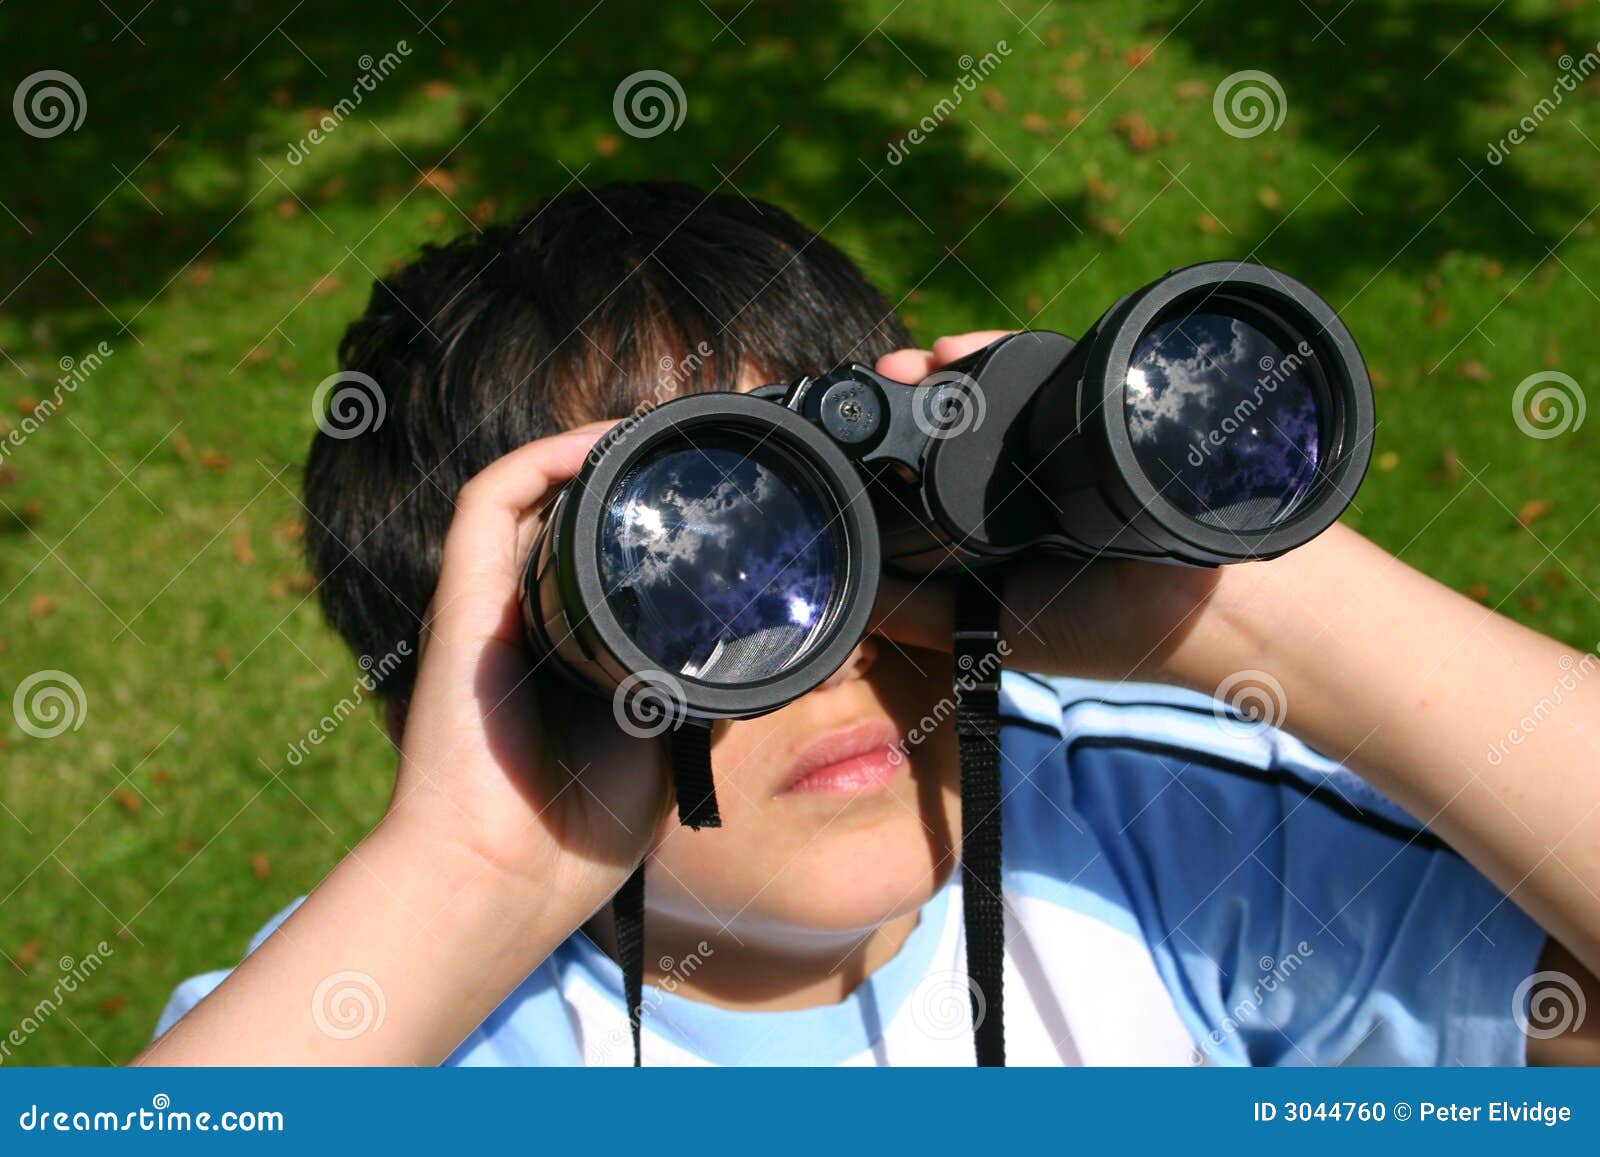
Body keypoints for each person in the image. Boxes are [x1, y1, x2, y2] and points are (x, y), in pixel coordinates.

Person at [138, 182, 1600, 1066]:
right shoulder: (407, 1007)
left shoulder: (1134, 828)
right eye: (700, 585)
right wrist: (471, 867)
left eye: (853, 524)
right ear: (511, 678)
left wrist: (1253, 620)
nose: (836, 641)